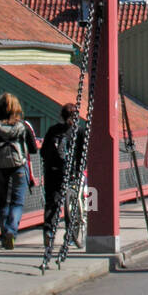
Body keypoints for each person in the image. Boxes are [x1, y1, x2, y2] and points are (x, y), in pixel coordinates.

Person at [0, 92, 38, 249]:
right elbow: (34, 149)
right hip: (19, 167)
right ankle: (11, 230)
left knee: (2, 202)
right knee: (17, 202)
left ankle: (4, 235)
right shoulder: (23, 126)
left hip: (0, 168)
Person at [41, 102, 85, 248]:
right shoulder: (79, 131)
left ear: (61, 115)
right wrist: (78, 172)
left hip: (51, 171)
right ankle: (71, 235)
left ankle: (48, 231)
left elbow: (43, 152)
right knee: (71, 202)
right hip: (69, 172)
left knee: (52, 202)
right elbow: (82, 155)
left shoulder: (52, 130)